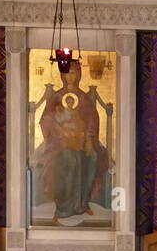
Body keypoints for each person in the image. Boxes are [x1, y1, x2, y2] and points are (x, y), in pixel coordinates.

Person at [32, 58, 109, 224]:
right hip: (59, 144)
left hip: (83, 142)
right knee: (70, 160)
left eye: (73, 72)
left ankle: (82, 204)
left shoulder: (84, 98)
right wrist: (61, 134)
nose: (70, 77)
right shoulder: (56, 97)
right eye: (66, 73)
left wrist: (88, 140)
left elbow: (92, 120)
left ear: (79, 75)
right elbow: (45, 120)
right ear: (62, 75)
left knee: (93, 158)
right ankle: (63, 207)